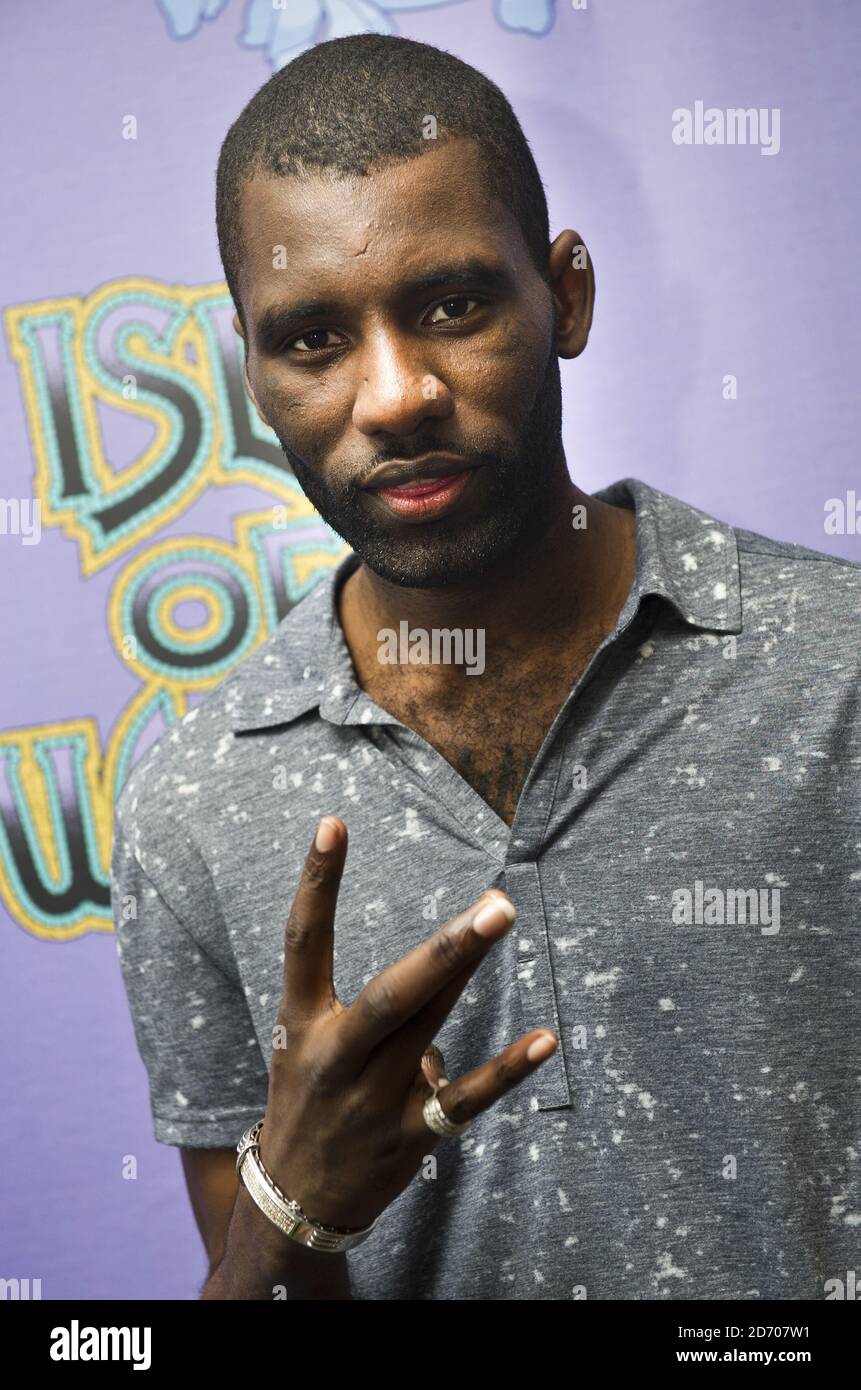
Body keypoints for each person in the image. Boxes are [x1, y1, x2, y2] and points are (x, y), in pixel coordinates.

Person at [111, 34, 860, 1300]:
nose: (395, 395)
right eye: (313, 339)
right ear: (252, 369)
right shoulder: (193, 805)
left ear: (564, 294)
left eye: (451, 304)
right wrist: (296, 1210)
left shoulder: (835, 670)